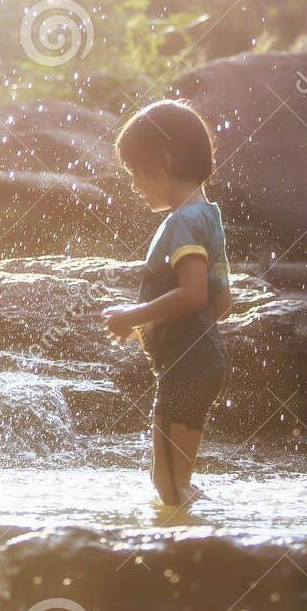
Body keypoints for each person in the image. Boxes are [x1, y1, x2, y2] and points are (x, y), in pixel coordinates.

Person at [104, 100, 233, 508]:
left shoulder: (183, 222)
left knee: (166, 484)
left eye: (134, 172)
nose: (133, 185)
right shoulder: (207, 217)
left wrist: (132, 317)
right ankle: (206, 531)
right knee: (176, 480)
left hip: (187, 368)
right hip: (202, 364)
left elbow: (194, 294)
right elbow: (222, 300)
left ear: (162, 160)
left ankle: (191, 552)